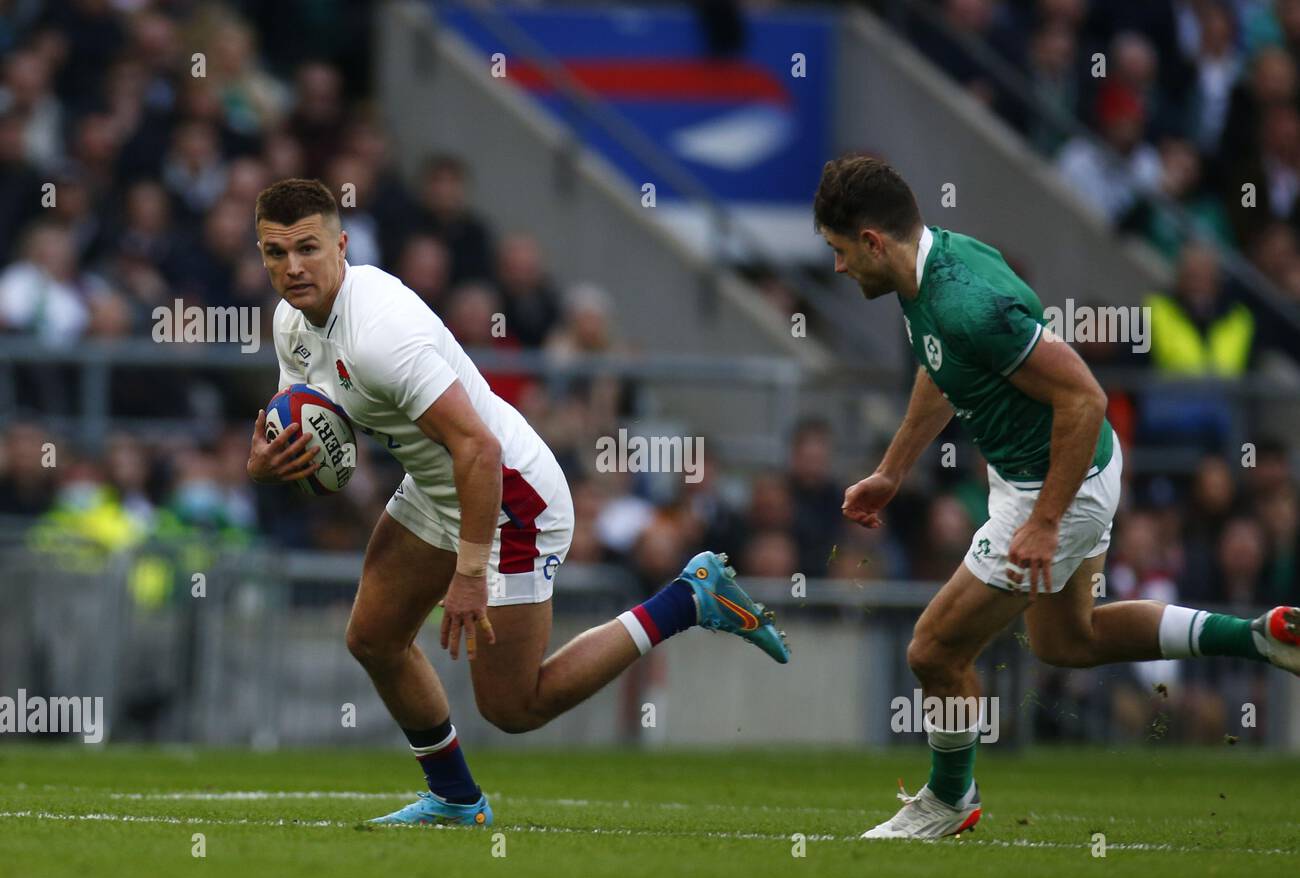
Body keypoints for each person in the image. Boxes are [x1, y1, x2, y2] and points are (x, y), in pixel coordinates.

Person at [245, 179, 788, 827]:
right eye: (275, 253)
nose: (292, 267)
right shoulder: (290, 323)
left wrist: (471, 572)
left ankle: (689, 597)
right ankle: (454, 797)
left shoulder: (380, 331)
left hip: (511, 493)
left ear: (341, 245)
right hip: (439, 480)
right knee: (373, 637)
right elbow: (302, 427)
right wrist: (266, 465)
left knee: (514, 704)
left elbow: (478, 449)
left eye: (307, 248)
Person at [814, 155, 1300, 840]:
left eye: (838, 252)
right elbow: (940, 363)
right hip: (1063, 472)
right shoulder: (932, 270)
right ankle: (1256, 636)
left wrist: (1044, 522)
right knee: (1069, 639)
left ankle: (949, 799)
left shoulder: (965, 301)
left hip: (1054, 485)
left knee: (933, 651)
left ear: (871, 240)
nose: (837, 268)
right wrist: (894, 469)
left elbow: (1085, 395)